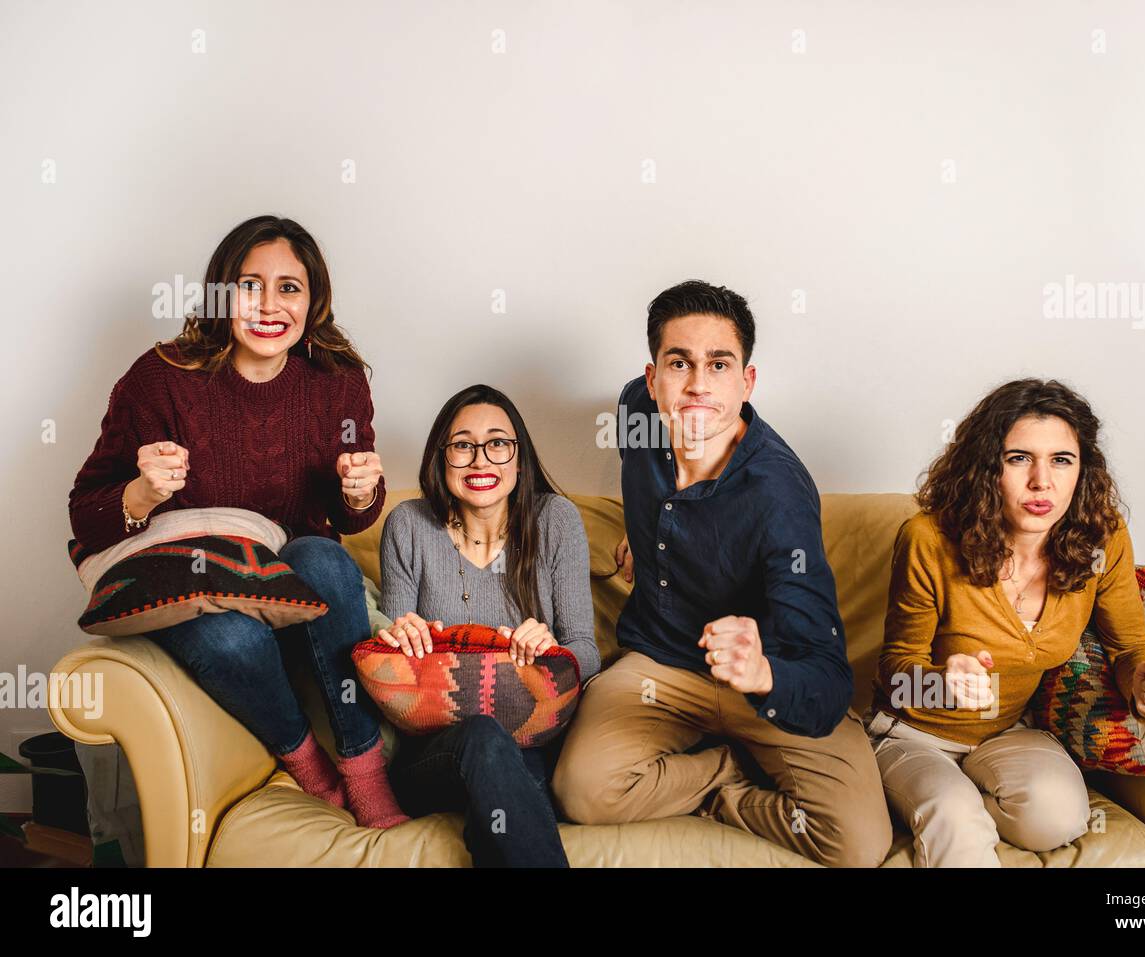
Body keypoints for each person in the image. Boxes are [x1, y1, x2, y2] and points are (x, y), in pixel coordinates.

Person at [68, 215, 408, 829]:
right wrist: (141, 493)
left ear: (314, 300)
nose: (270, 305)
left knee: (325, 557)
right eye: (250, 285)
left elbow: (348, 517)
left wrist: (360, 492)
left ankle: (365, 769)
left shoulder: (337, 381)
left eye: (290, 288)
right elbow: (85, 515)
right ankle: (310, 767)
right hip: (203, 593)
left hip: (299, 593)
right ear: (221, 293)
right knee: (233, 638)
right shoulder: (160, 378)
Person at [551, 280, 892, 868]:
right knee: (580, 790)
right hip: (659, 663)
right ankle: (721, 767)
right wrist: (652, 540)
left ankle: (731, 784)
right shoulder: (640, 410)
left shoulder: (779, 497)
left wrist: (762, 673)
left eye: (719, 364)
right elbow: (666, 494)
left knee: (858, 844)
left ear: (747, 381)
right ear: (653, 377)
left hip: (762, 682)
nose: (698, 385)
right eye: (679, 363)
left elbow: (828, 676)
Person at [871, 378, 1145, 866]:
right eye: (1018, 458)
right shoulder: (927, 539)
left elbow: (1129, 648)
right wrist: (940, 683)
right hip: (913, 733)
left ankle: (962, 793)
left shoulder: (1100, 537)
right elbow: (894, 675)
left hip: (1007, 732)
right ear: (985, 468)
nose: (1042, 481)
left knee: (1055, 819)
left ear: (1082, 470)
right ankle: (946, 799)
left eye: (1062, 460)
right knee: (953, 814)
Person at [375, 385, 600, 867]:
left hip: (531, 743)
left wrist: (553, 650)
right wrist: (402, 639)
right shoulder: (408, 525)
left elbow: (588, 650)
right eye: (462, 445)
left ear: (520, 459)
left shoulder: (556, 520)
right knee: (482, 735)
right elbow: (397, 674)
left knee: (499, 815)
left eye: (499, 443)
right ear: (442, 457)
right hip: (435, 754)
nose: (481, 461)